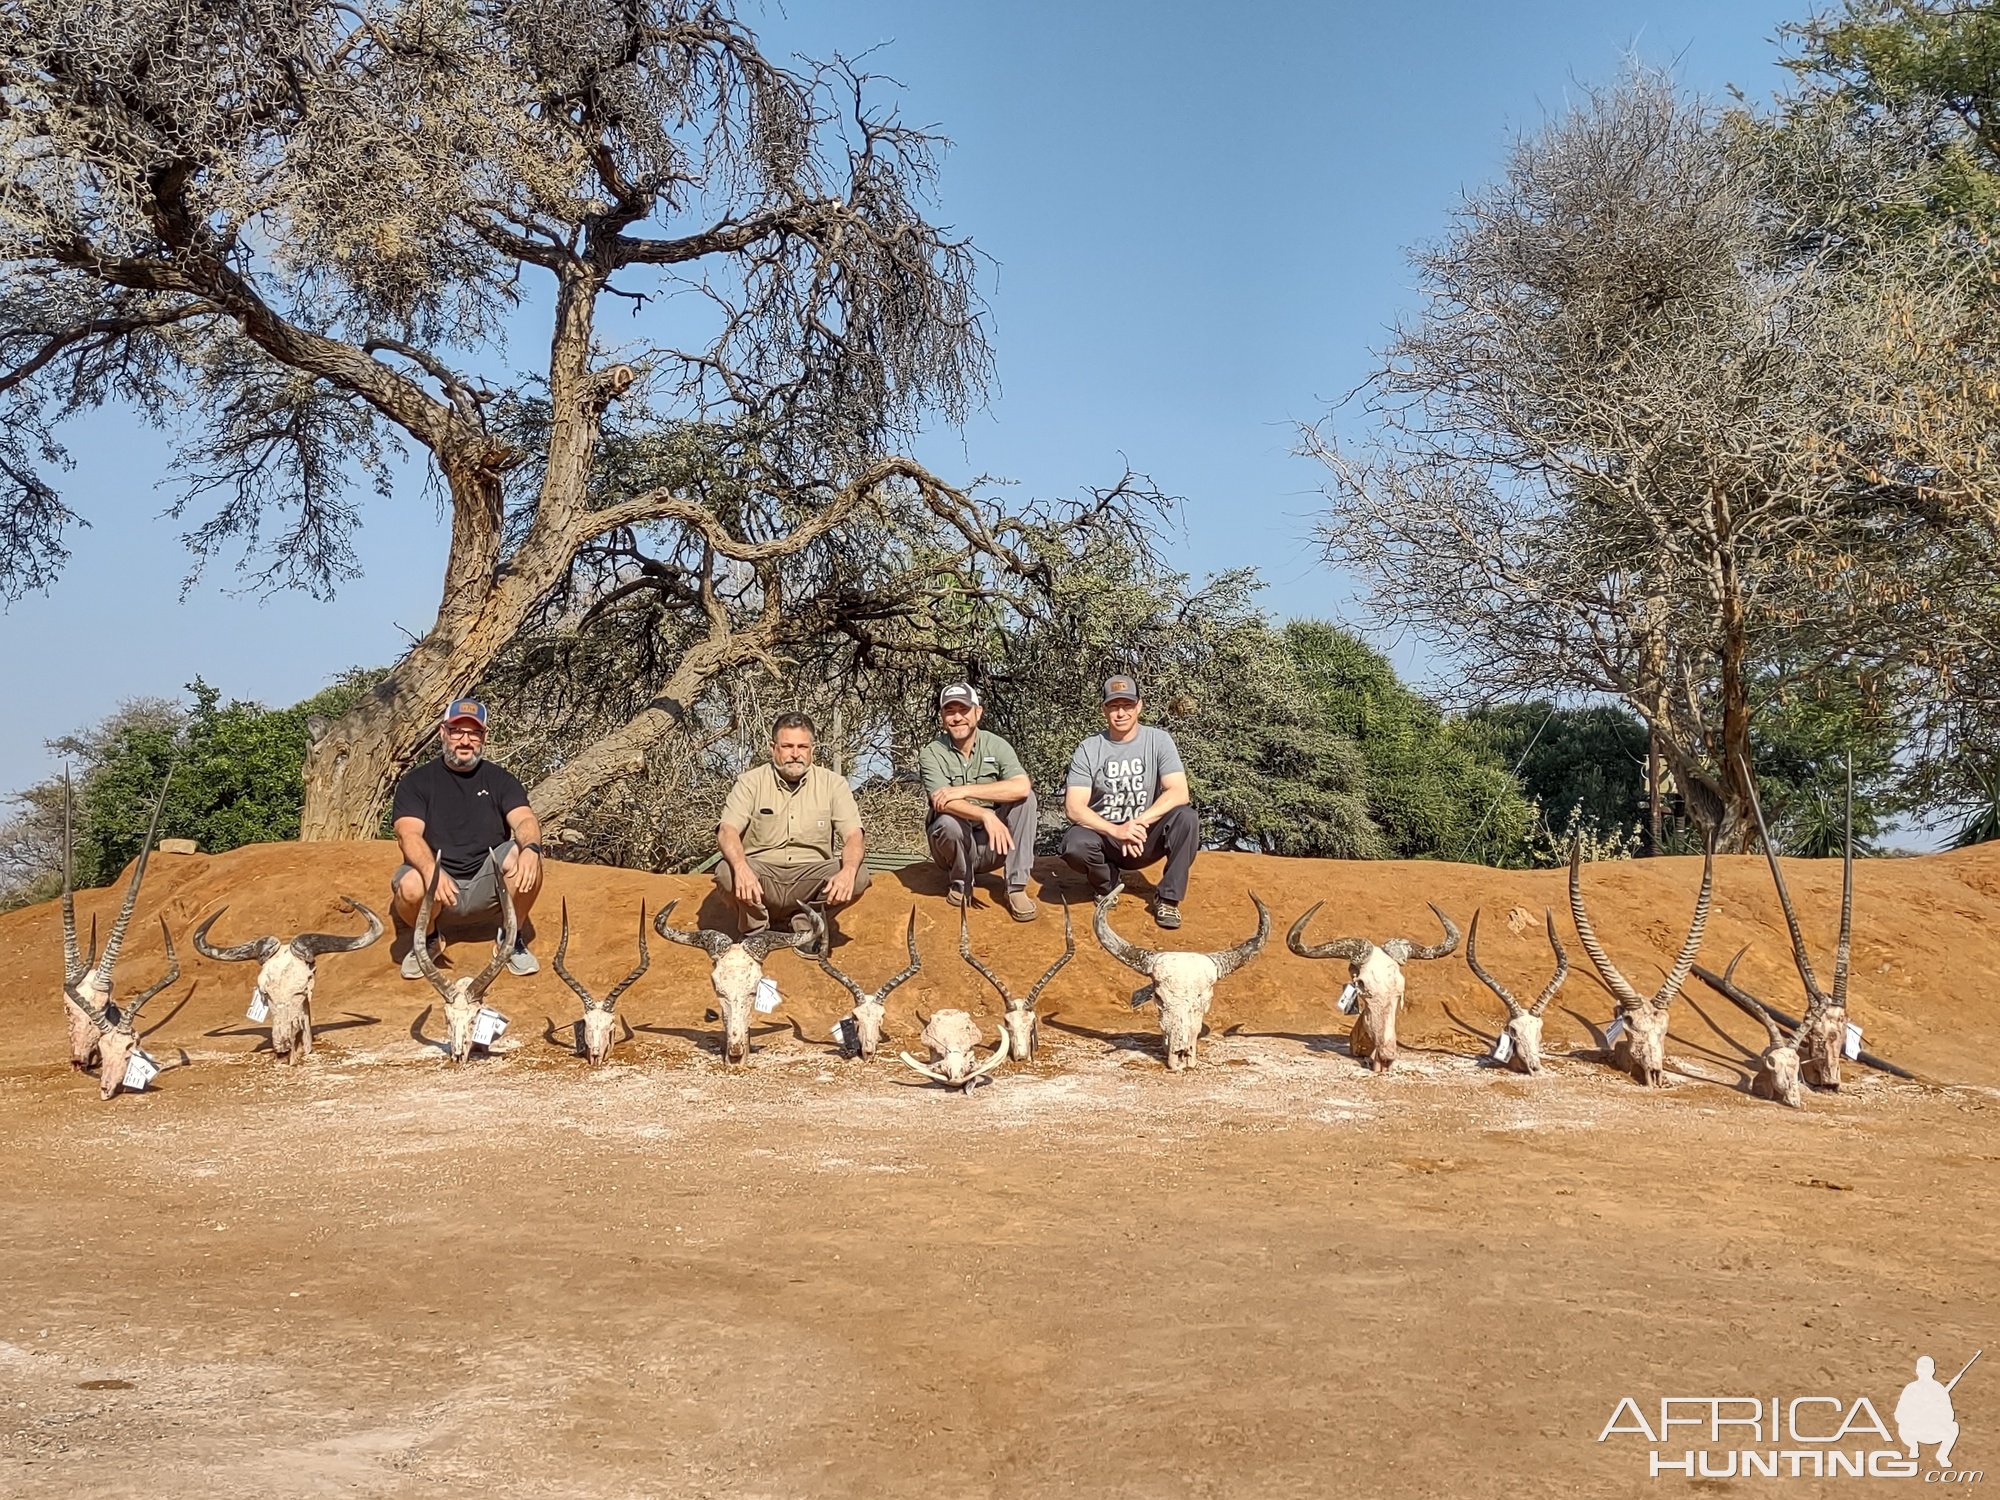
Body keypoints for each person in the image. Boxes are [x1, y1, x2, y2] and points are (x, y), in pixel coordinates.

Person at [390, 698, 544, 978]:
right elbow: (407, 834)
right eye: (457, 731)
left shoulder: (501, 780)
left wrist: (532, 848)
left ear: (483, 737)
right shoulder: (417, 782)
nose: (464, 740)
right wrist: (430, 871)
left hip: (485, 882)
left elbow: (525, 819)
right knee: (410, 885)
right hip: (437, 884)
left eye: (473, 733)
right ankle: (429, 939)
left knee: (520, 854)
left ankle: (510, 939)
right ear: (443, 733)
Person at [715, 712, 870, 951]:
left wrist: (848, 871)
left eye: (802, 746)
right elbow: (727, 830)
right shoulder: (750, 782)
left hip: (809, 877)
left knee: (859, 875)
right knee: (727, 872)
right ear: (773, 748)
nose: (795, 754)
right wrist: (742, 868)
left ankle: (806, 923)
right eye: (787, 746)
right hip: (762, 876)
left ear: (812, 749)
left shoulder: (833, 784)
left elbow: (853, 835)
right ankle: (756, 930)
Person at [1060, 675, 1198, 929]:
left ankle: (1168, 898)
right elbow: (1073, 807)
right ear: (1104, 709)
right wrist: (1115, 830)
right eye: (1114, 706)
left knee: (1186, 818)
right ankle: (1107, 885)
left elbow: (1179, 792)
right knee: (1074, 844)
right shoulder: (1089, 748)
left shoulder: (1159, 740)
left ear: (1139, 706)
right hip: (1106, 837)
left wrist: (1138, 822)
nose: (1121, 713)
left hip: (1144, 836)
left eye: (1127, 705)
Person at [918, 684, 1038, 921]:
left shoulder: (997, 745)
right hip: (954, 847)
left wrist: (964, 791)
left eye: (963, 710)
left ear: (978, 712)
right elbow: (941, 801)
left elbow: (1022, 786)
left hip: (995, 844)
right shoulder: (931, 753)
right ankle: (961, 883)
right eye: (950, 711)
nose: (957, 717)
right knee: (947, 822)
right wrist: (985, 814)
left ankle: (1016, 888)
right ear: (942, 717)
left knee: (1027, 800)